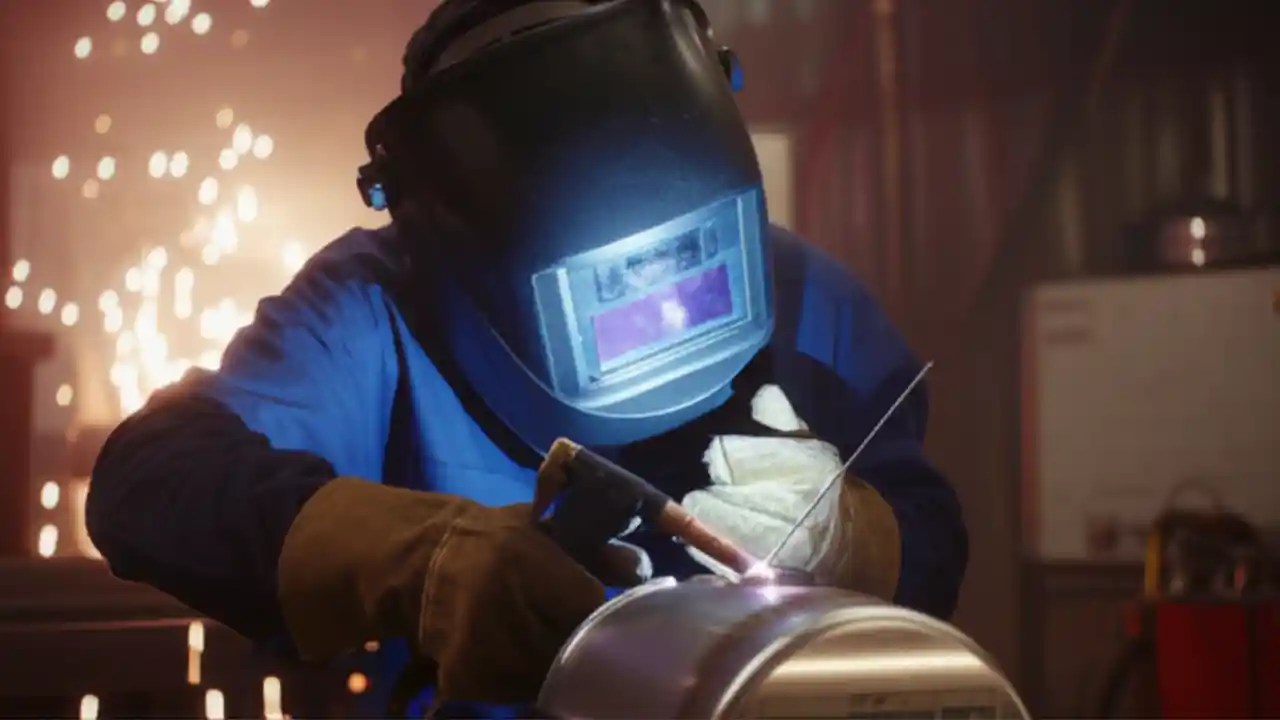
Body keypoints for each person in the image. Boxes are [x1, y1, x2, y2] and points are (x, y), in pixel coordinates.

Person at [86, 0, 967, 714]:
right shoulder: (374, 310)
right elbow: (148, 482)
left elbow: (933, 542)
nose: (655, 304)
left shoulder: (806, 299)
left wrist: (858, 540)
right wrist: (423, 561)